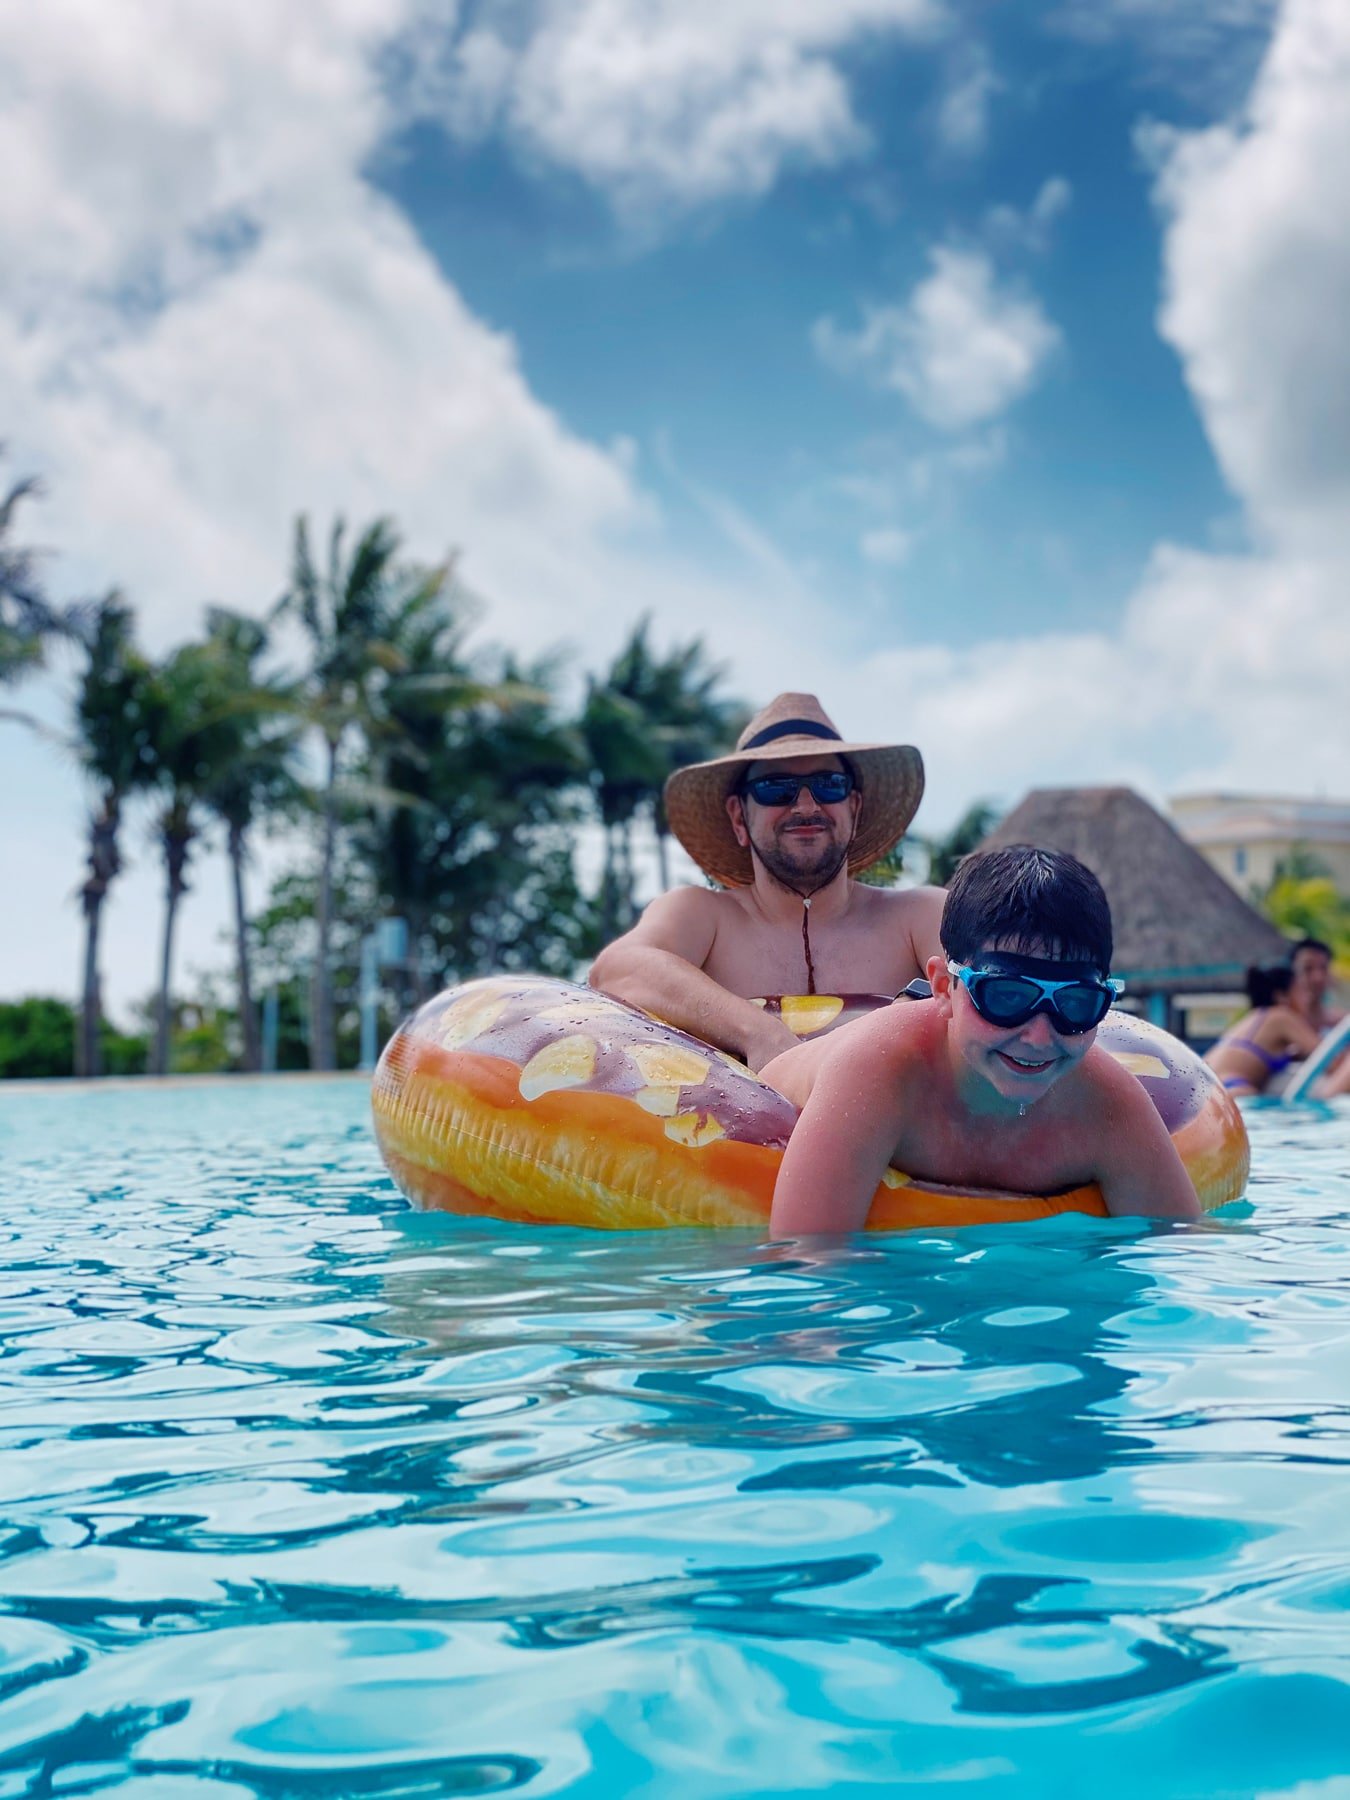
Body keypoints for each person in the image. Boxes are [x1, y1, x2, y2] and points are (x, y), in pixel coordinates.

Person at [759, 844, 1202, 1235]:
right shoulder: (877, 1072)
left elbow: (1178, 1264)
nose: (1039, 1035)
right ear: (941, 987)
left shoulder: (1108, 1107)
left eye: (1076, 1004)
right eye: (1006, 997)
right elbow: (807, 1267)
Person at [588, 693, 944, 1070]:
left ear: (853, 809)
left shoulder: (919, 914)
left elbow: (985, 987)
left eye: (828, 785)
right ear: (739, 817)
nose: (806, 806)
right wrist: (757, 1032)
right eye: (776, 788)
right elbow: (616, 969)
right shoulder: (704, 914)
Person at [1203, 963, 1321, 1097]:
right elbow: (1329, 1056)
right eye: (1301, 991)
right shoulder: (1282, 1016)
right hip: (1234, 1086)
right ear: (1281, 996)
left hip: (1205, 1083)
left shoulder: (1254, 1016)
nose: (1308, 998)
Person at [1288, 937, 1345, 1035]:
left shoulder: (1343, 1023)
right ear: (1292, 973)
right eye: (1307, 969)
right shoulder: (1280, 1022)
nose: (1318, 978)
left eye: (1323, 968)